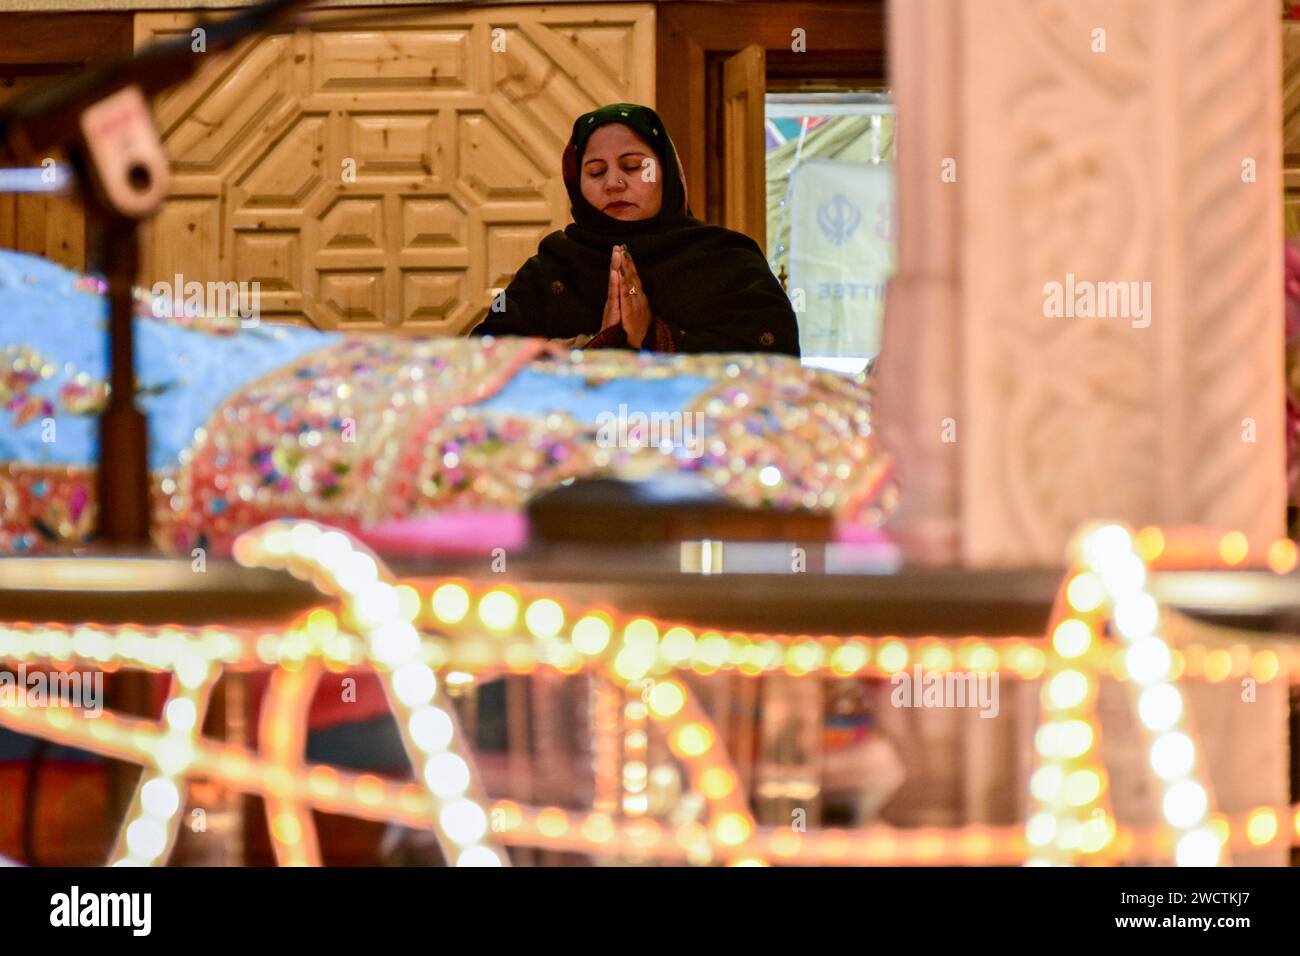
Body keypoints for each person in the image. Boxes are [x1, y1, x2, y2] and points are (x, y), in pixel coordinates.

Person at [470, 102, 799, 355]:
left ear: (667, 173)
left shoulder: (729, 263)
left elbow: (775, 360)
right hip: (578, 441)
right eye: (596, 172)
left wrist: (654, 337)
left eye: (633, 166)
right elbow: (480, 359)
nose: (613, 183)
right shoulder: (550, 268)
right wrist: (590, 346)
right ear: (576, 185)